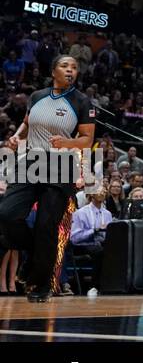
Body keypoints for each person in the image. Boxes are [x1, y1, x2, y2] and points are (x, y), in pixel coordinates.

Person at [0, 55, 96, 302]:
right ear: (54, 71)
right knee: (7, 214)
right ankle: (33, 255)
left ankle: (41, 284)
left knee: (46, 225)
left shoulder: (82, 101)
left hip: (62, 164)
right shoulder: (37, 96)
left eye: (74, 67)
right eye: (65, 66)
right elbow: (27, 124)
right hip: (31, 161)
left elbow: (87, 139)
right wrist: (16, 137)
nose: (70, 70)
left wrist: (67, 142)